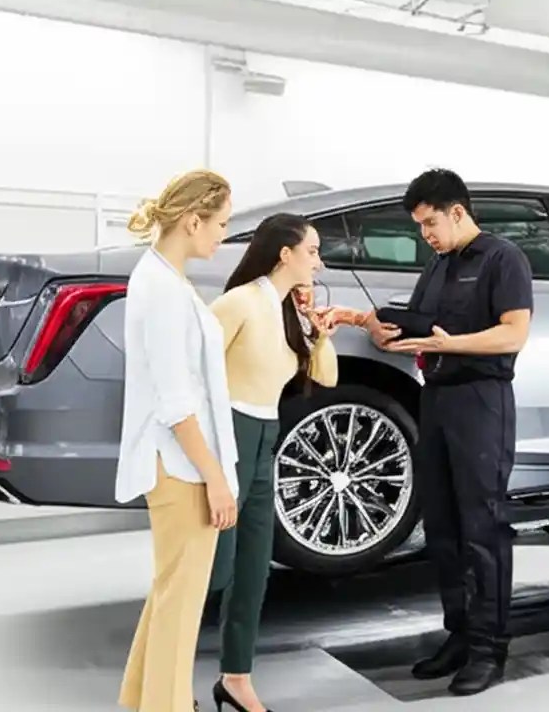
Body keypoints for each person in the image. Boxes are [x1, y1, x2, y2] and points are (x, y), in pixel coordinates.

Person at [364, 168, 534, 696]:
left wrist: (448, 346)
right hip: (435, 399)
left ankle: (490, 650)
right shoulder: (438, 266)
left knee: (482, 528)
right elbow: (421, 323)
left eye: (430, 223)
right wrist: (365, 320)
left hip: (481, 401)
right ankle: (459, 635)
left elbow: (514, 333)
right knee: (441, 527)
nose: (426, 235)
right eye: (419, 226)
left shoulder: (503, 259)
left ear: (457, 211)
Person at [207, 213, 367, 712]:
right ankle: (160, 682)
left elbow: (327, 379)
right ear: (285, 254)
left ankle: (236, 679)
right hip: (225, 436)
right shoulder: (238, 302)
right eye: (313, 251)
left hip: (265, 436)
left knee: (254, 568)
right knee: (211, 568)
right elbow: (191, 371)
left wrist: (319, 332)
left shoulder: (285, 312)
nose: (318, 262)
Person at [116, 169, 241, 712]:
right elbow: (176, 400)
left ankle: (140, 701)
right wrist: (215, 477)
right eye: (221, 224)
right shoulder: (162, 289)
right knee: (181, 604)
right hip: (181, 466)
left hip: (179, 462)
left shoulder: (165, 278)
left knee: (170, 596)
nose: (223, 235)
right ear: (193, 221)